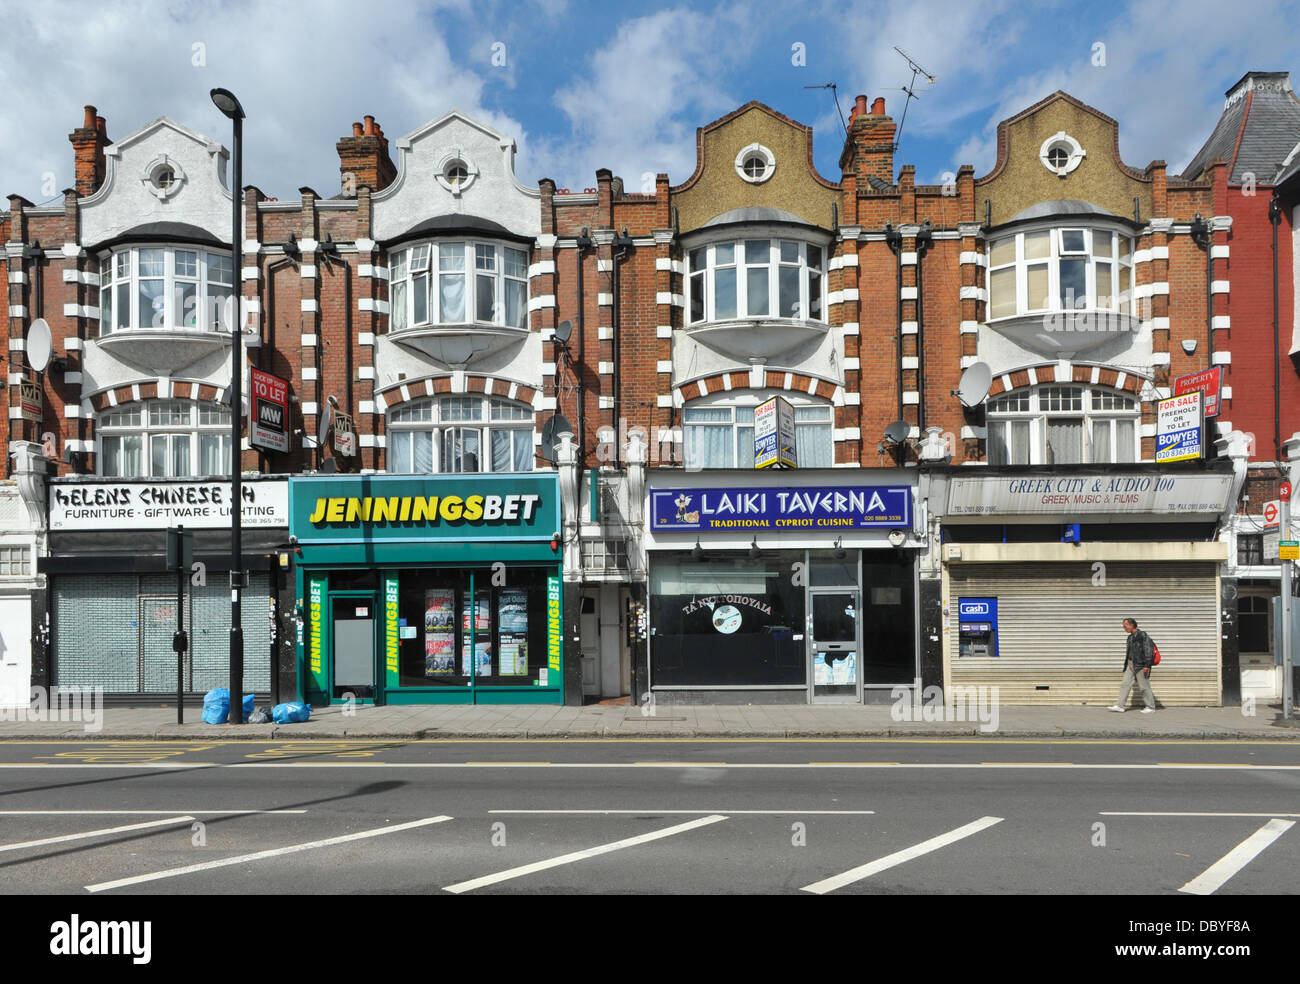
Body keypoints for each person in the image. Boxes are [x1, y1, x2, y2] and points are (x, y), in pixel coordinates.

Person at [1108, 617, 1156, 713]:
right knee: (1125, 684)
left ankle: (1150, 707)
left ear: (1132, 625)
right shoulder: (1130, 637)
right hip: (1131, 664)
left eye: (1125, 626)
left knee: (1144, 686)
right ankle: (1120, 706)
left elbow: (1148, 650)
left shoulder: (1142, 635)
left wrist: (1147, 665)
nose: (1124, 628)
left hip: (1141, 665)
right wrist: (1126, 665)